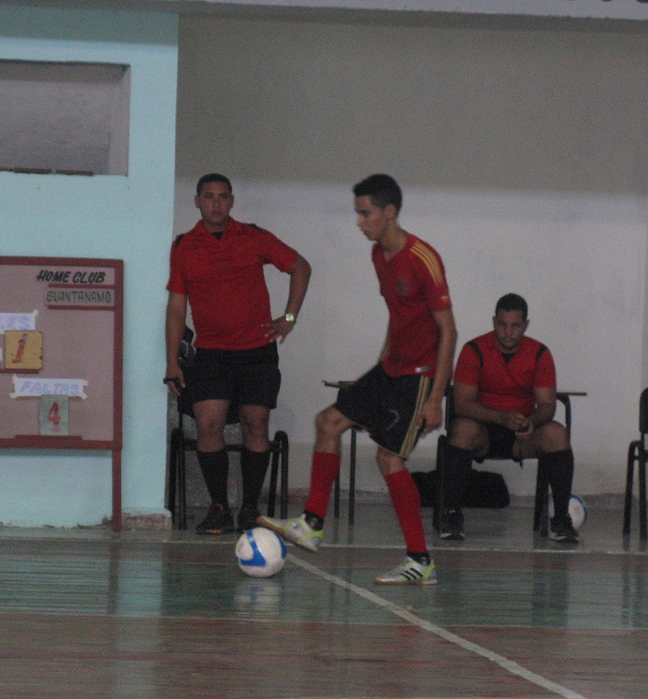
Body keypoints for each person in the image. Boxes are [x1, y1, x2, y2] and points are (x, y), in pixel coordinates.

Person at [258, 173, 456, 585]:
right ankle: (312, 523)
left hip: (419, 378)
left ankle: (420, 560)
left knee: (389, 459)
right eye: (357, 214)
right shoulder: (378, 256)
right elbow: (400, 317)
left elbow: (448, 331)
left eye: (366, 214)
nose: (360, 222)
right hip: (390, 369)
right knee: (327, 422)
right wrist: (382, 359)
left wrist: (436, 397)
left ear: (390, 212)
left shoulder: (423, 258)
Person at [166, 173, 311, 535]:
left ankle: (249, 508)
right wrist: (171, 361)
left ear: (232, 202)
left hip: (257, 353)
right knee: (208, 425)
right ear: (197, 201)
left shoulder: (253, 237)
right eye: (209, 196)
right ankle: (219, 507)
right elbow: (175, 308)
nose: (216, 203)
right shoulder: (184, 246)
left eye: (223, 196)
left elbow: (300, 267)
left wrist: (289, 317)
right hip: (211, 354)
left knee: (256, 426)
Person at [439, 293, 579, 543]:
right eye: (502, 325)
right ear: (494, 321)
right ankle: (451, 514)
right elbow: (461, 404)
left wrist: (531, 422)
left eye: (515, 326)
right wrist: (501, 418)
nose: (507, 333)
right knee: (462, 430)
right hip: (483, 429)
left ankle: (561, 519)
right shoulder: (474, 350)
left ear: (526, 325)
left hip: (523, 433)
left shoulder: (539, 353)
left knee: (557, 434)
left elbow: (547, 405)